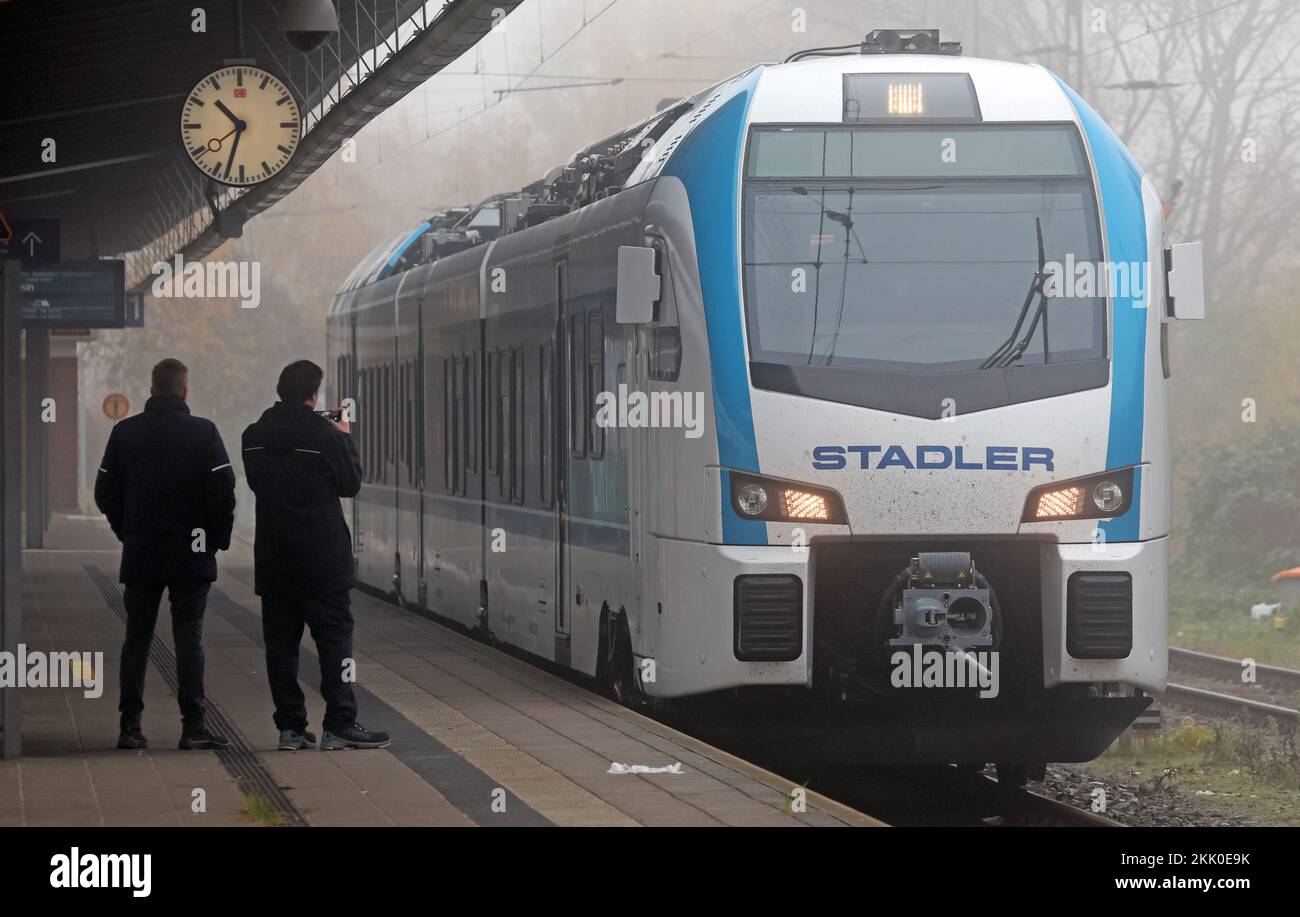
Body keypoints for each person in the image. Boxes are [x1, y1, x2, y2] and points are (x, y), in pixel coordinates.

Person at [241, 359, 390, 751]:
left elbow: (259, 483)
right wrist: (342, 434)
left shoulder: (253, 436)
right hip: (322, 560)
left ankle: (290, 728)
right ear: (313, 395)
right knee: (335, 643)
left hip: (274, 558)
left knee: (281, 647)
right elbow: (350, 483)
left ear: (280, 390)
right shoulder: (325, 435)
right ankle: (340, 722)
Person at [94, 358, 235, 751]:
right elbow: (223, 490)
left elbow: (104, 492)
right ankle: (193, 727)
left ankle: (130, 727)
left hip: (143, 550)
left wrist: (128, 530)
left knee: (137, 637)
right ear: (184, 391)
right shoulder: (204, 433)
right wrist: (214, 539)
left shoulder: (126, 433)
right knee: (189, 638)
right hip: (191, 551)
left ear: (152, 389)